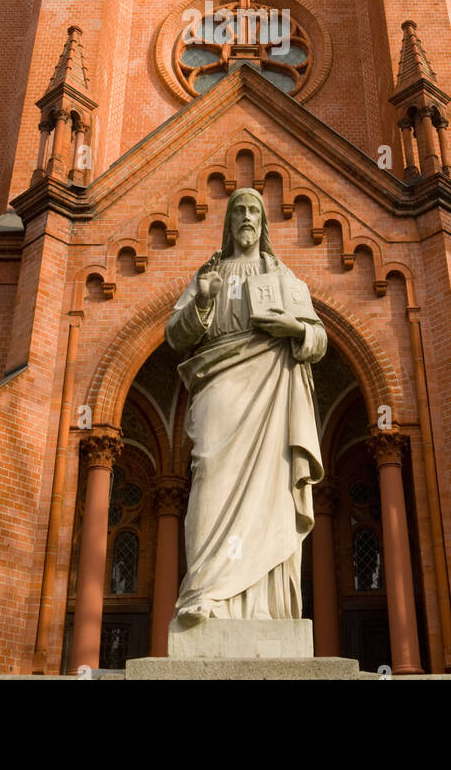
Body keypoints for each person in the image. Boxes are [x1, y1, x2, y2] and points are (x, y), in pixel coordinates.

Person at [165, 187, 326, 625]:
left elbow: (318, 339)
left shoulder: (285, 277)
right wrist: (201, 300)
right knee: (210, 473)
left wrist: (294, 328)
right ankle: (203, 590)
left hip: (272, 383)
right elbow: (176, 337)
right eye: (239, 211)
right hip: (218, 377)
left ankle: (264, 606)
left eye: (255, 211)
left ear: (264, 222)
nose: (247, 218)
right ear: (229, 222)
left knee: (272, 486)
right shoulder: (209, 273)